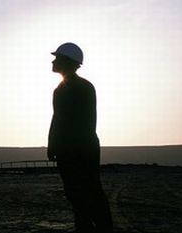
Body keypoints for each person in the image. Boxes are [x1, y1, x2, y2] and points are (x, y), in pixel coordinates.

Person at [47, 42, 113, 233]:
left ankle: (99, 227)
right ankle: (86, 226)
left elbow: (76, 121)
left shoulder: (77, 88)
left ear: (68, 61)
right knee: (78, 193)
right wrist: (53, 144)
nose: (53, 60)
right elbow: (58, 118)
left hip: (78, 149)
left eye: (57, 57)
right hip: (76, 148)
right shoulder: (65, 89)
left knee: (87, 192)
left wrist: (60, 146)